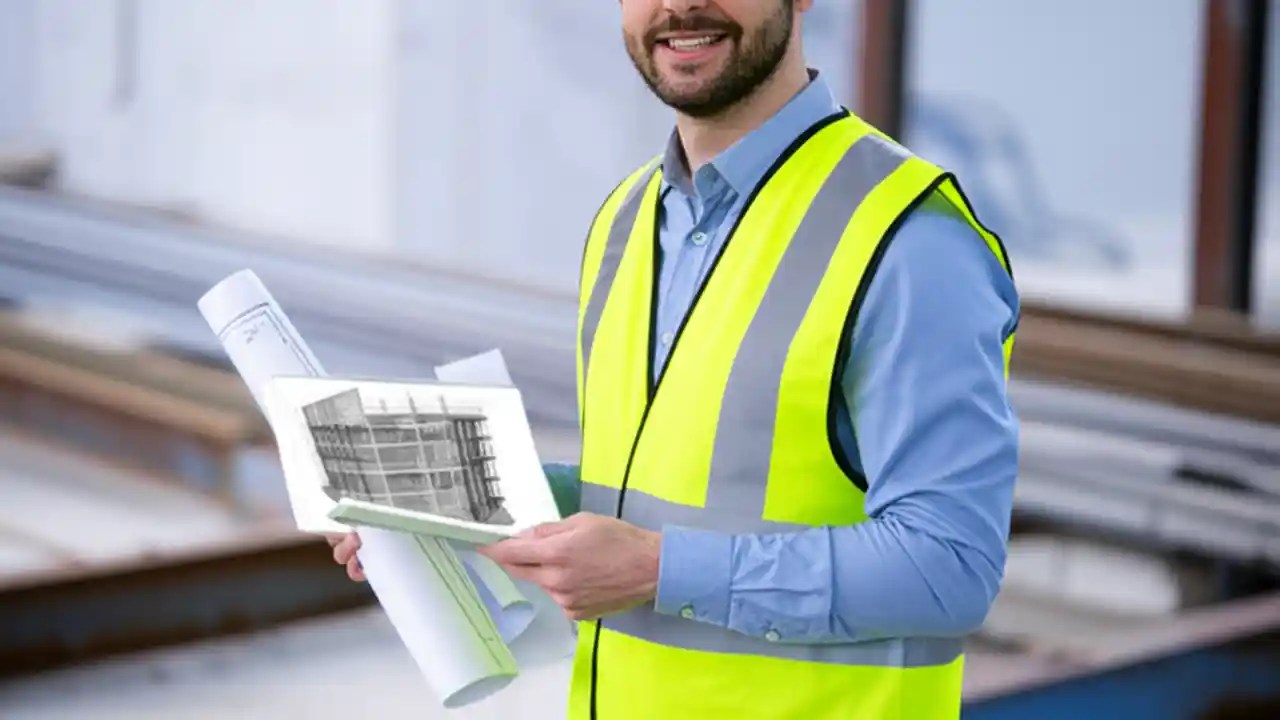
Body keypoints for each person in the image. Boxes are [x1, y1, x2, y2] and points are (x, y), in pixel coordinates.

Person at [332, 0, 1020, 717]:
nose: (679, 6)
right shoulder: (628, 219)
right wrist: (459, 505)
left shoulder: (910, 239)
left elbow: (949, 567)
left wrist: (657, 570)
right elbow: (656, 496)